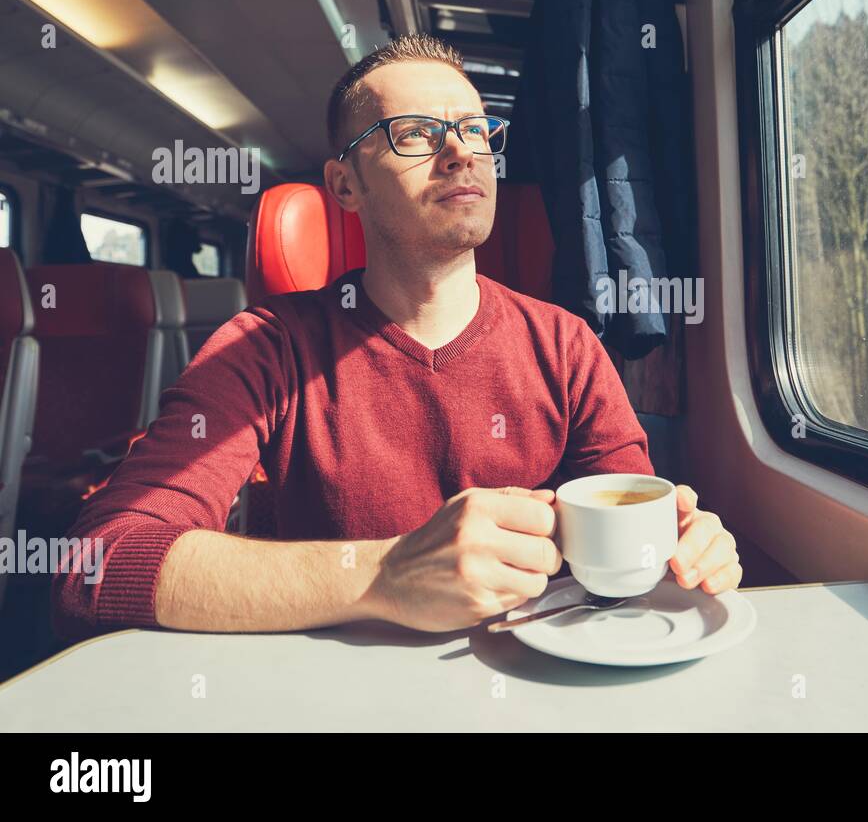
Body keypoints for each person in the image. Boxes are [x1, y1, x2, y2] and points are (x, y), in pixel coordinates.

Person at [50, 34, 741, 640]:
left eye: (476, 130)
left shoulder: (566, 345)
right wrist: (380, 575)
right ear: (344, 185)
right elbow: (98, 561)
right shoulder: (265, 348)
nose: (460, 153)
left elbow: (625, 539)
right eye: (414, 133)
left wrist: (682, 547)